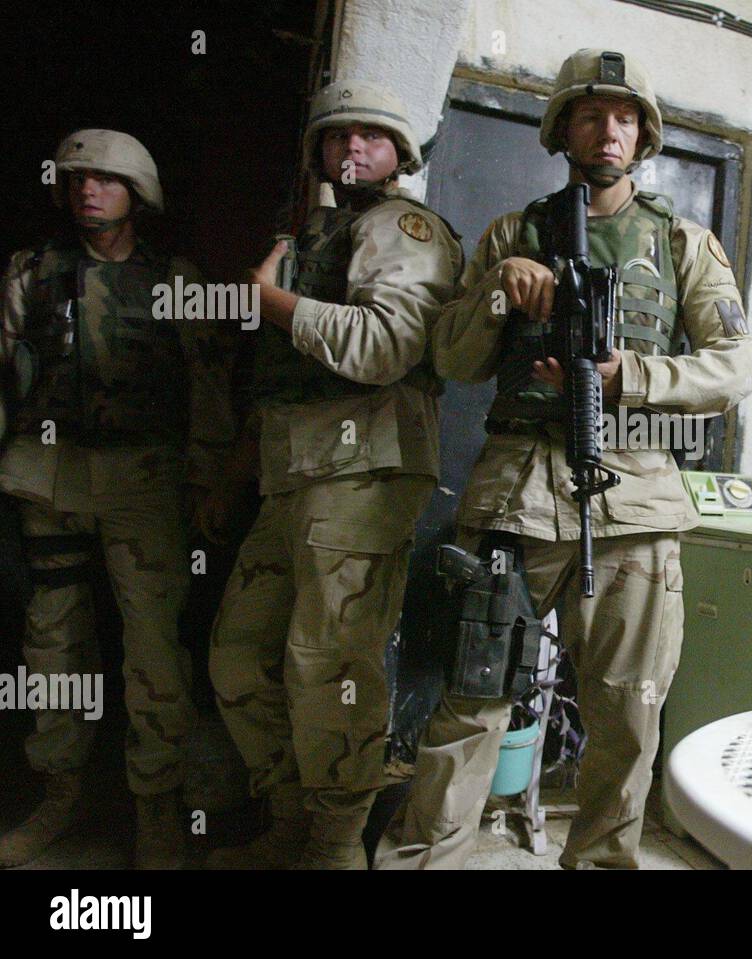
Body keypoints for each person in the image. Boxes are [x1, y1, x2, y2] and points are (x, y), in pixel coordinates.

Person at [376, 48, 752, 870]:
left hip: (635, 501)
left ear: (644, 134)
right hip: (517, 496)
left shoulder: (682, 242)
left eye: (625, 116)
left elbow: (738, 366)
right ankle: (423, 859)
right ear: (562, 129)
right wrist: (496, 290)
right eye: (591, 114)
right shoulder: (512, 233)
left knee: (628, 715)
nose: (609, 130)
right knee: (474, 698)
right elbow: (450, 358)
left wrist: (635, 377)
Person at [205, 80, 462, 869]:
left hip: (363, 469)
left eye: (371, 136)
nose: (352, 148)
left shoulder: (402, 226)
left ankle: (333, 846)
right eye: (337, 136)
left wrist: (269, 302)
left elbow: (386, 346)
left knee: (331, 665)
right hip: (296, 470)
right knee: (240, 655)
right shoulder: (315, 233)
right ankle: (289, 820)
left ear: (399, 155)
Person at [0, 129, 236, 868]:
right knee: (51, 641)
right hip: (48, 477)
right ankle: (60, 792)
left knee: (153, 647)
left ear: (139, 192)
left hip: (145, 484)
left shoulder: (178, 278)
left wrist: (209, 479)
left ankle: (156, 803)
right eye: (75, 181)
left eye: (104, 180)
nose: (87, 192)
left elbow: (208, 387)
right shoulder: (32, 272)